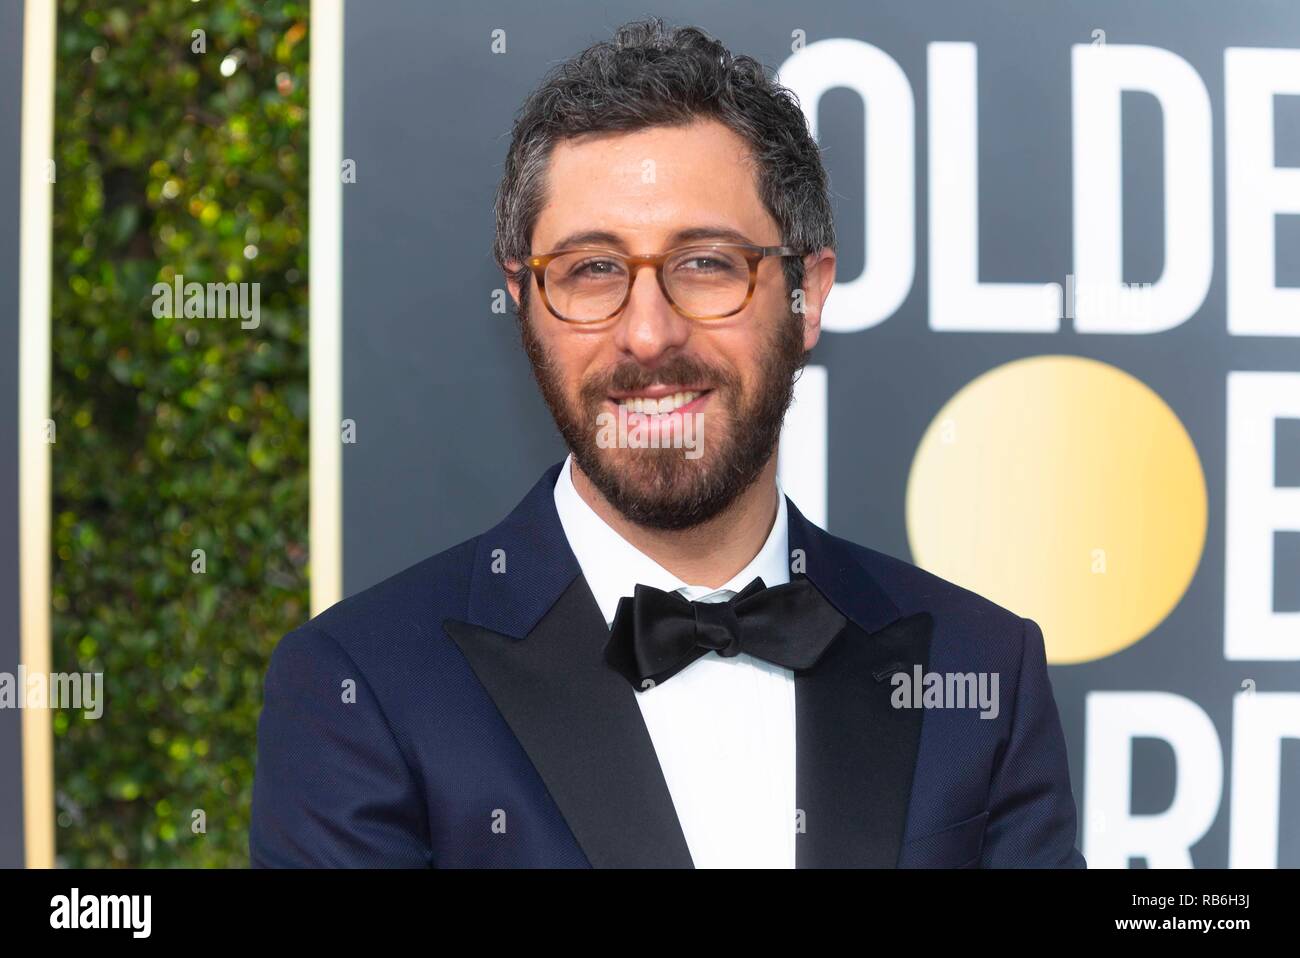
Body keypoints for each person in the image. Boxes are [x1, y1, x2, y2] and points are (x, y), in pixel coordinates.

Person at [250, 17, 1085, 869]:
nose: (648, 335)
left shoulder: (981, 669)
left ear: (810, 294)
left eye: (707, 264)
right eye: (592, 270)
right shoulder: (362, 690)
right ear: (523, 303)